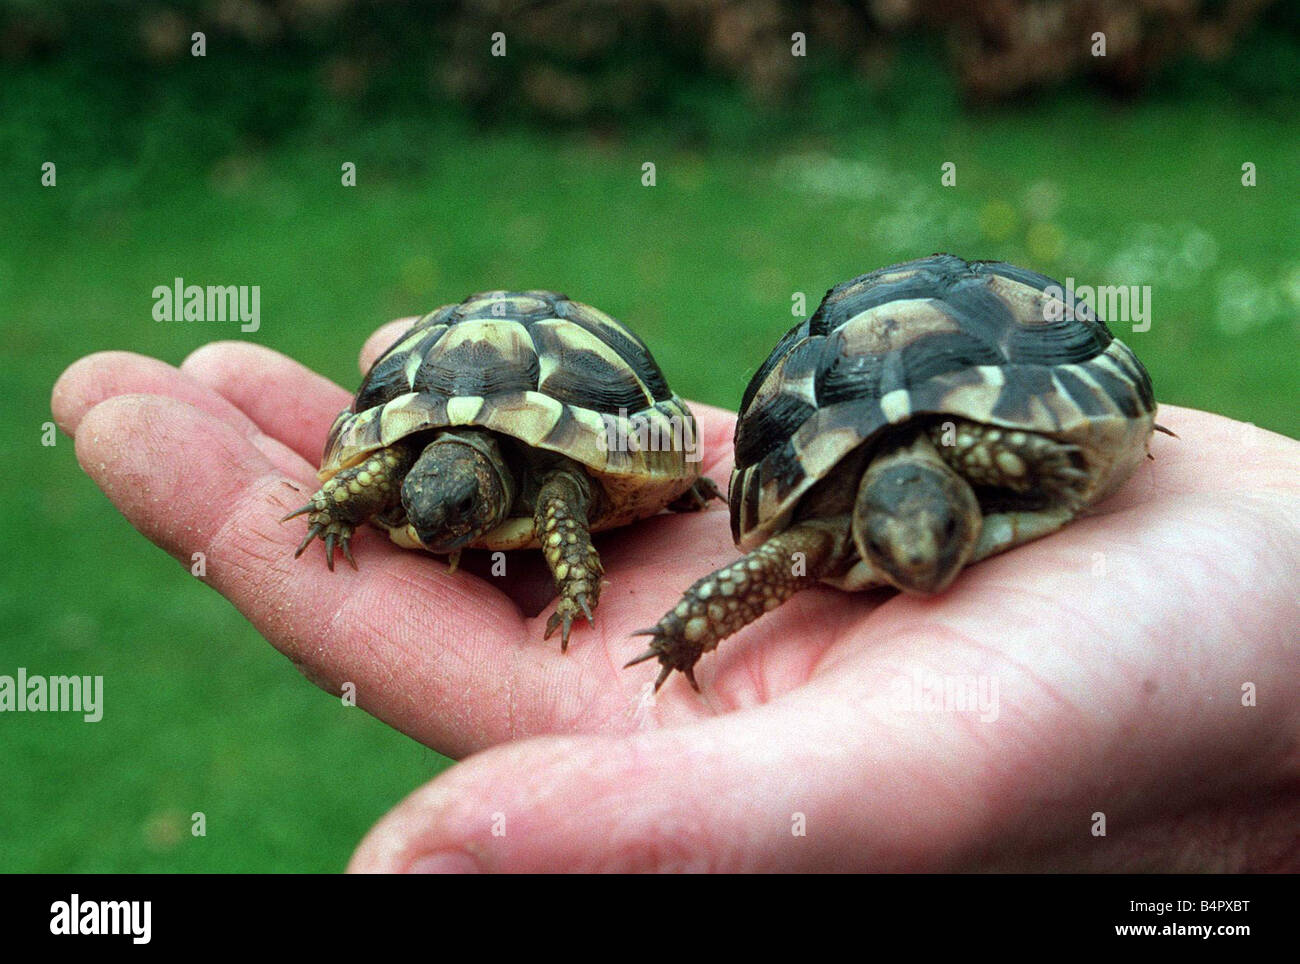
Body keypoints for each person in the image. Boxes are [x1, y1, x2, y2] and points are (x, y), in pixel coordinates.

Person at [51, 320, 1300, 872]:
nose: (913, 574)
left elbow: (727, 546)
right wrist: (342, 499)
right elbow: (765, 555)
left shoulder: (947, 487)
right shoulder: (812, 537)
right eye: (897, 548)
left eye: (927, 550)